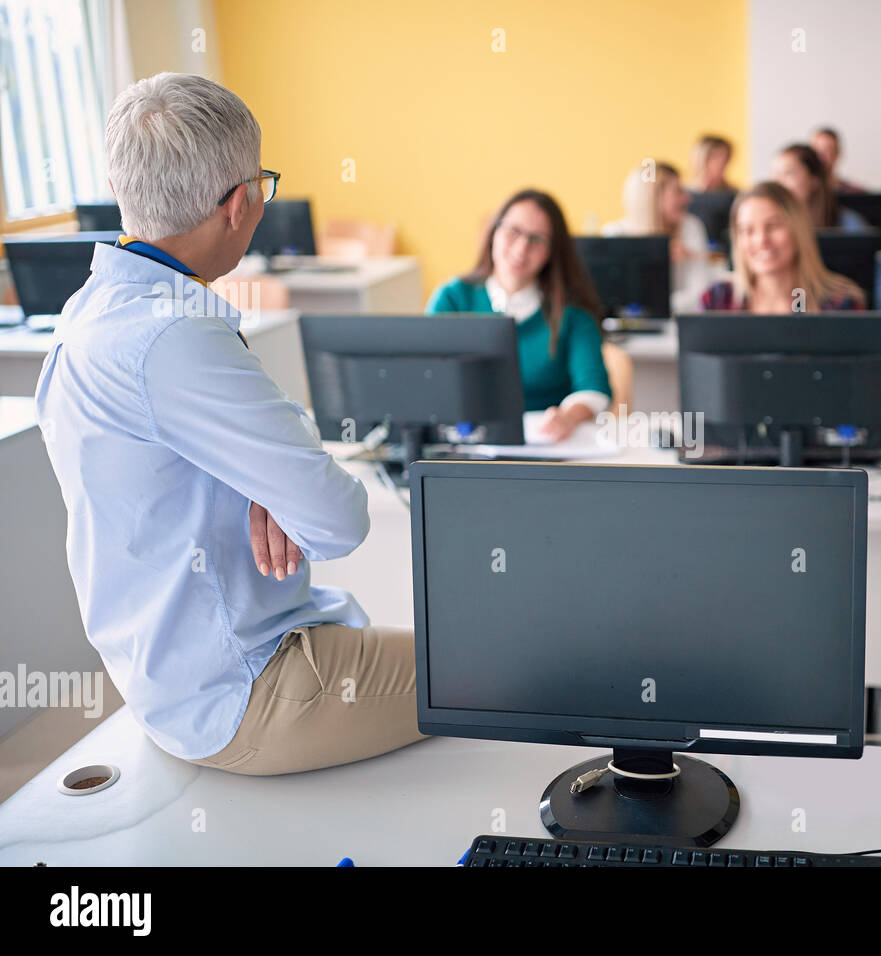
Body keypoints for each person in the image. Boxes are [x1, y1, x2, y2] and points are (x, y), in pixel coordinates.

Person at [35, 73, 422, 775]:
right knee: (486, 667)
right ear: (240, 204)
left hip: (165, 677)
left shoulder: (89, 311)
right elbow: (339, 521)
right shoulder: (175, 338)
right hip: (245, 691)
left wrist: (264, 478)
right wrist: (277, 477)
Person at [428, 189, 610, 441]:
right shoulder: (452, 298)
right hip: (466, 443)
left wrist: (567, 417)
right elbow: (428, 378)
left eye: (537, 239)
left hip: (547, 444)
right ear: (493, 232)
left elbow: (594, 389)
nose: (522, 248)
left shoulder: (573, 312)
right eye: (513, 231)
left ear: (552, 251)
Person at [700, 181, 865, 312]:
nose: (761, 240)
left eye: (772, 226)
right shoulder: (718, 300)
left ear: (798, 231)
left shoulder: (839, 304)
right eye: (748, 230)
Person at [602, 160, 718, 312]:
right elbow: (611, 299)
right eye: (678, 192)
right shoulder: (615, 233)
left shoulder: (691, 228)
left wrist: (690, 256)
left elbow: (700, 294)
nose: (687, 198)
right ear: (653, 197)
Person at [773, 143, 868, 231]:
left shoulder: (850, 224)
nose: (779, 182)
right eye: (776, 175)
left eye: (789, 173)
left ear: (814, 179)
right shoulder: (773, 225)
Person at [811, 126, 866, 194]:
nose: (821, 156)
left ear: (837, 153)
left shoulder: (856, 194)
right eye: (817, 151)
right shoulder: (801, 194)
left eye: (828, 150)